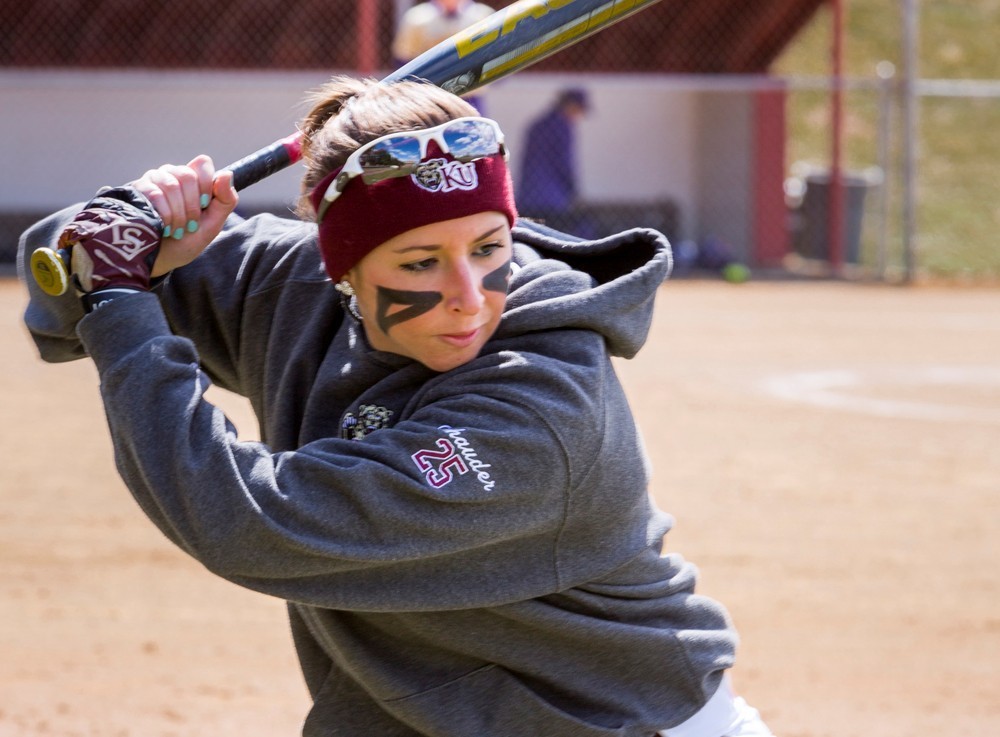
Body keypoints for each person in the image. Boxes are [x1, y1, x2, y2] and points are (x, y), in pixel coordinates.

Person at [19, 75, 775, 737]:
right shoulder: (292, 284)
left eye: (489, 247)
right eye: (419, 262)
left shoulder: (543, 411)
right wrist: (129, 223)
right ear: (338, 263)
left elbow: (248, 521)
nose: (469, 297)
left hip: (621, 724)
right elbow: (62, 263)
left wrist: (120, 299)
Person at [391, 0, 494, 112]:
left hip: (470, 97)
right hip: (430, 98)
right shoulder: (417, 18)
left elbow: (495, 54)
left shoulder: (483, 15)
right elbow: (404, 60)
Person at [516, 87, 591, 235]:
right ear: (572, 105)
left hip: (527, 196)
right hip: (553, 201)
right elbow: (565, 163)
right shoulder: (563, 127)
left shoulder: (536, 124)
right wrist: (573, 191)